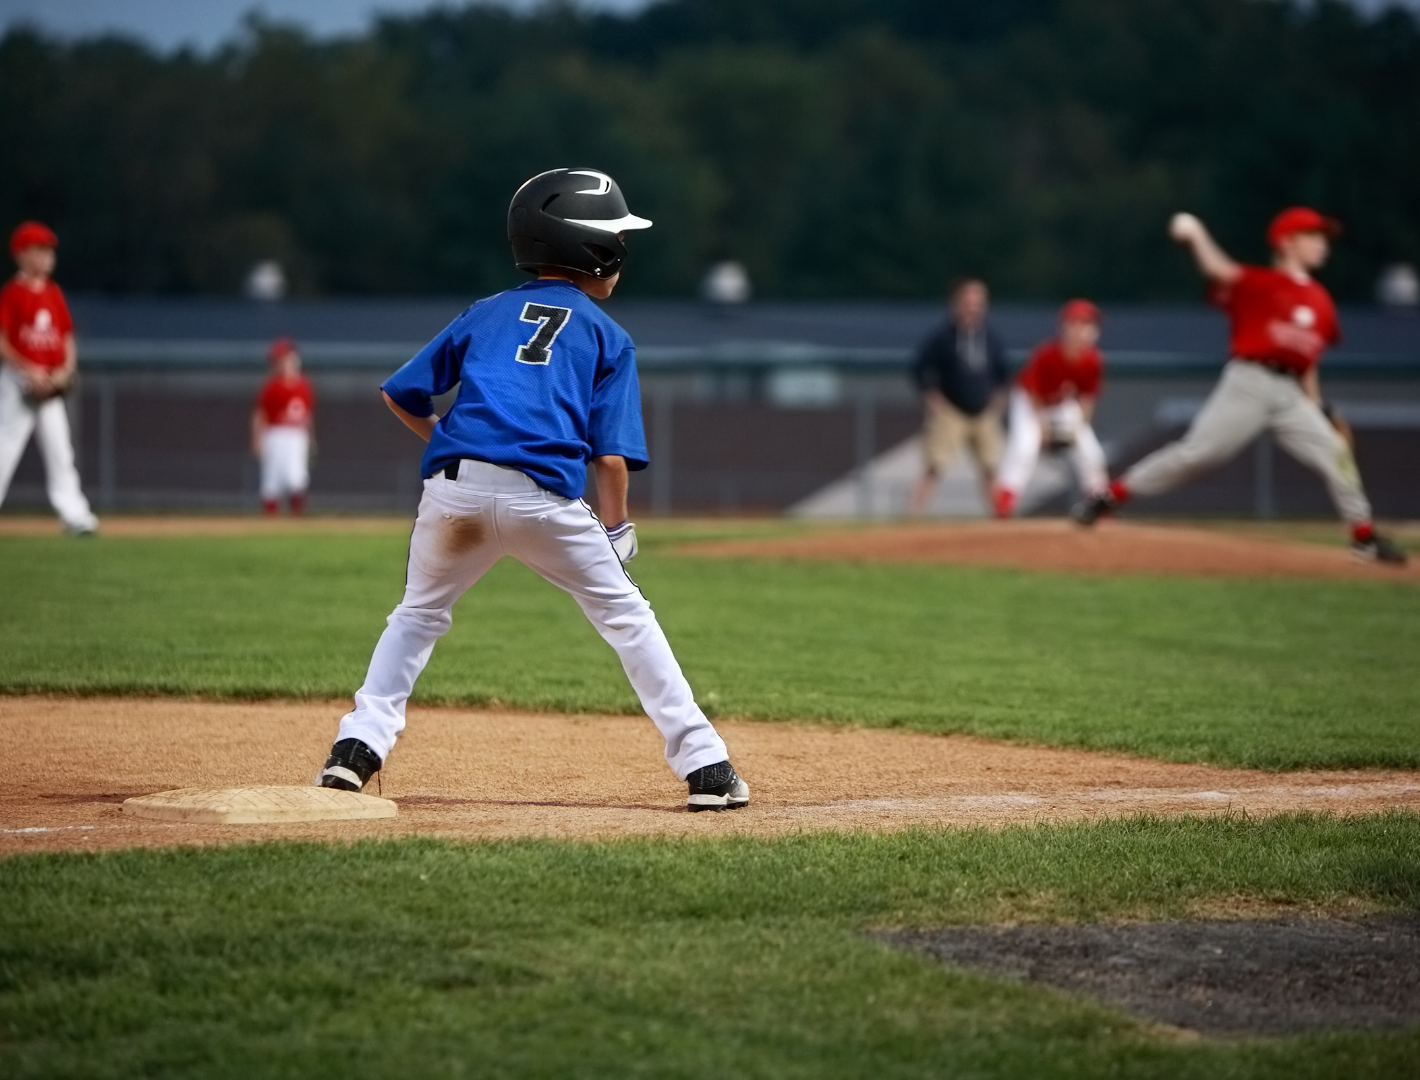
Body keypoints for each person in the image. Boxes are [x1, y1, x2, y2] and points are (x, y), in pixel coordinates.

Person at [315, 168, 750, 812]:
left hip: (453, 489)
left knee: (416, 617)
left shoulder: (486, 312)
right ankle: (707, 768)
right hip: (544, 498)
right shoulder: (607, 335)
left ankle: (354, 754)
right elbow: (609, 459)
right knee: (628, 618)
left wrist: (445, 441)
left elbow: (400, 392)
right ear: (594, 250)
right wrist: (618, 528)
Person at [1073, 208, 1408, 566]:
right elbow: (1218, 269)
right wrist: (1196, 233)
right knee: (1197, 454)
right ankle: (1111, 495)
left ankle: (1363, 537)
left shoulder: (1321, 301)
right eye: (1313, 236)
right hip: (1249, 381)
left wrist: (1320, 408)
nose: (1322, 244)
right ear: (1286, 243)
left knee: (1336, 452)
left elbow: (1308, 362)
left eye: (1323, 237)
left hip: (1290, 393)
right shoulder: (1261, 283)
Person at [0, 221, 98, 535]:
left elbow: (66, 336)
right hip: (18, 382)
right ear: (21, 254)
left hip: (50, 383)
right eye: (39, 249)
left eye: (48, 250)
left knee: (60, 450)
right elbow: (1, 339)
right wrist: (29, 369)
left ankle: (76, 516)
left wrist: (65, 369)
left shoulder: (53, 293)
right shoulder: (13, 293)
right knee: (4, 447)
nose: (47, 256)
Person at [991, 299, 1108, 518]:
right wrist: (1042, 428)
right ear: (1065, 326)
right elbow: (1034, 392)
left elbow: (1087, 398)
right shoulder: (1047, 354)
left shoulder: (1093, 361)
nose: (1084, 330)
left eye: (1088, 324)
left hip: (1061, 404)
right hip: (1028, 401)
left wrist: (1079, 428)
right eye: (1078, 323)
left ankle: (1099, 504)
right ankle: (1005, 502)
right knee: (1026, 445)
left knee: (1090, 452)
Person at [908, 278, 1009, 514]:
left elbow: (1002, 373)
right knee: (934, 465)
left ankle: (1001, 520)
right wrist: (932, 397)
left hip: (983, 411)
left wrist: (998, 399)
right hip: (951, 410)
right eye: (968, 302)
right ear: (957, 303)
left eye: (978, 303)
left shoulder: (990, 336)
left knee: (991, 468)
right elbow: (920, 368)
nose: (973, 308)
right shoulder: (944, 336)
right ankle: (913, 517)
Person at [252, 337, 315, 515]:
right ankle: (270, 520)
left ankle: (297, 519)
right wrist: (257, 439)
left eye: (283, 358)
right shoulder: (272, 387)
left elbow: (307, 416)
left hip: (297, 435)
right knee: (272, 479)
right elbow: (260, 414)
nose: (280, 363)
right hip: (275, 433)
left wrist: (311, 438)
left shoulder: (304, 386)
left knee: (297, 478)